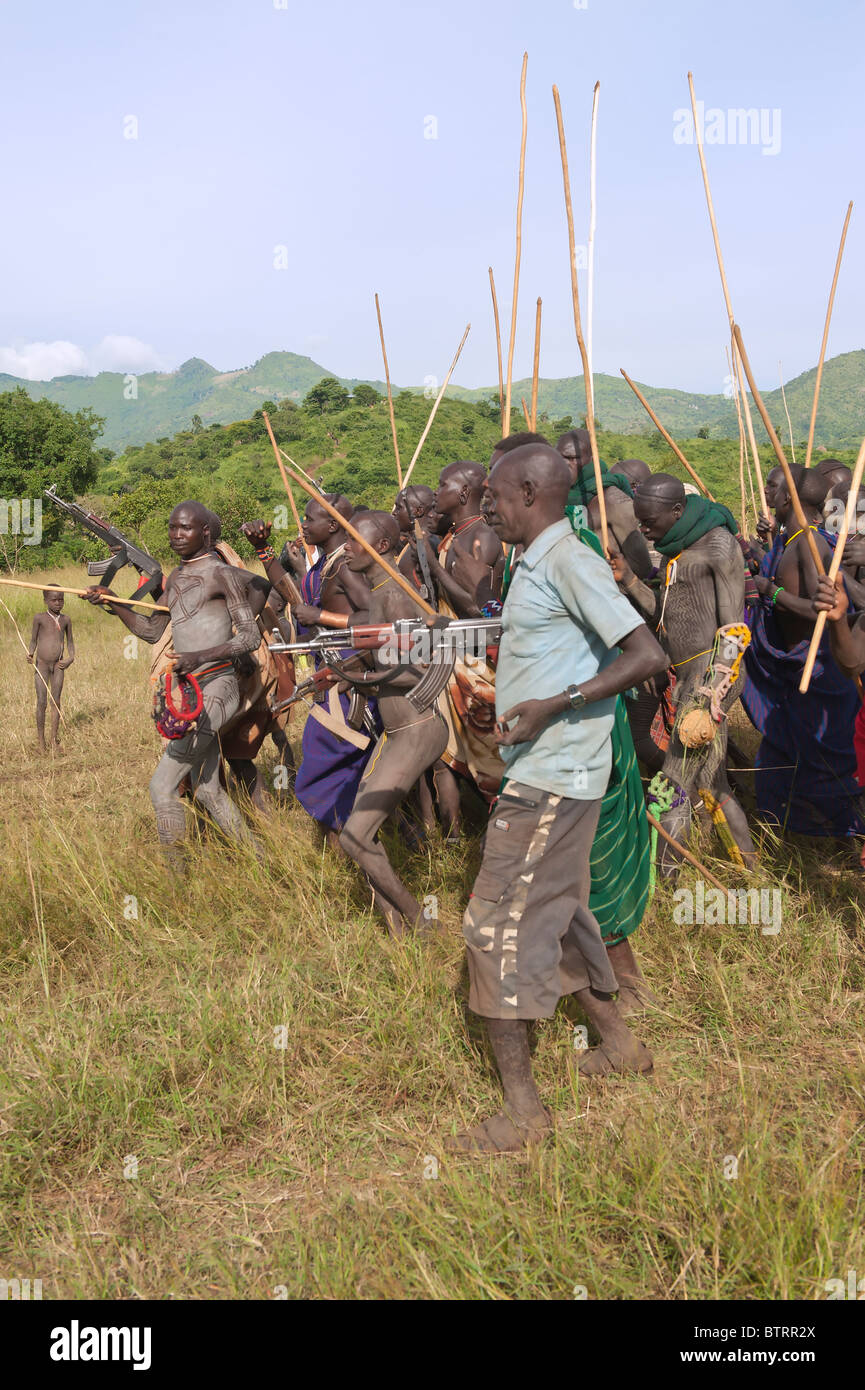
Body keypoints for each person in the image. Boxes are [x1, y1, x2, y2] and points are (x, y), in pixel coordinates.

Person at [449, 443, 667, 1154]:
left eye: (498, 497)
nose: (489, 508)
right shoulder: (534, 561)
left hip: (553, 775)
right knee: (558, 914)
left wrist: (556, 703)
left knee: (493, 928)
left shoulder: (568, 558)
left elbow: (645, 654)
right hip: (541, 768)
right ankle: (619, 1047)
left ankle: (523, 1114)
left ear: (532, 490)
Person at [82, 502, 261, 866]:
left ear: (205, 533)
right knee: (209, 790)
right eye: (172, 528)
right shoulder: (177, 578)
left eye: (185, 528)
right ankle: (259, 862)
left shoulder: (222, 575)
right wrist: (113, 603)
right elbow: (150, 631)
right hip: (189, 689)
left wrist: (200, 656)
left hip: (219, 686)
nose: (176, 535)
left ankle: (175, 880)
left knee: (162, 787)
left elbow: (250, 638)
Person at [610, 474, 756, 870]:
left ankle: (663, 881)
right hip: (686, 679)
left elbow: (734, 631)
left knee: (671, 784)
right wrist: (629, 581)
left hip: (709, 679)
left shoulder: (719, 546)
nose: (643, 530)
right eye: (639, 521)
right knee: (711, 782)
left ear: (677, 511)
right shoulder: (676, 548)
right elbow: (666, 614)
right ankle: (750, 870)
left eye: (649, 521)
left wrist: (712, 693)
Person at [336, 512, 450, 935]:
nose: (346, 548)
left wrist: (360, 677)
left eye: (353, 540)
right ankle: (396, 931)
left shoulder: (399, 597)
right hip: (400, 731)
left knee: (354, 836)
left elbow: (422, 670)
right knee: (357, 833)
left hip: (419, 727)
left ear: (381, 546)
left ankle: (420, 922)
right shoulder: (378, 598)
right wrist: (343, 673)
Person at [244, 498, 377, 846]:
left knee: (321, 773)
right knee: (333, 774)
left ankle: (354, 847)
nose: (303, 525)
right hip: (328, 679)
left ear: (333, 526)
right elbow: (292, 593)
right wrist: (263, 551)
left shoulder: (346, 567)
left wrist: (322, 619)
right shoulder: (324, 568)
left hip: (349, 683)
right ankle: (341, 849)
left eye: (310, 519)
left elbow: (377, 618)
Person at [742, 466, 865, 838]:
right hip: (790, 670)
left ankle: (837, 829)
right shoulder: (788, 538)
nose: (766, 491)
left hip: (814, 667)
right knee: (782, 753)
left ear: (789, 498)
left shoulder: (811, 544)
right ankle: (786, 828)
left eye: (774, 485)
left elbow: (819, 611)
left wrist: (770, 591)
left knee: (823, 756)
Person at [415, 461, 506, 815]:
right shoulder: (455, 536)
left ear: (465, 492)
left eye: (442, 484)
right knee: (445, 755)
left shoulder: (480, 538)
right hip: (451, 657)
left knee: (491, 757)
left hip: (477, 660)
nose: (436, 492)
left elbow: (479, 608)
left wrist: (434, 565)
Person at [556, 428, 653, 579]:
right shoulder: (555, 498)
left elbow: (642, 565)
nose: (564, 464)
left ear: (591, 459)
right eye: (559, 458)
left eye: (572, 458)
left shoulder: (612, 500)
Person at [27, 587, 74, 752]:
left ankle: (54, 740)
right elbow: (33, 640)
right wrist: (30, 653)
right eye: (54, 600)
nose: (58, 603)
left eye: (61, 599)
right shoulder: (39, 618)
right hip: (42, 665)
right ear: (46, 601)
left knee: (56, 701)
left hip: (58, 665)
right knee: (41, 702)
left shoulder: (66, 619)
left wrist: (70, 659)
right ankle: (41, 743)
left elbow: (70, 643)